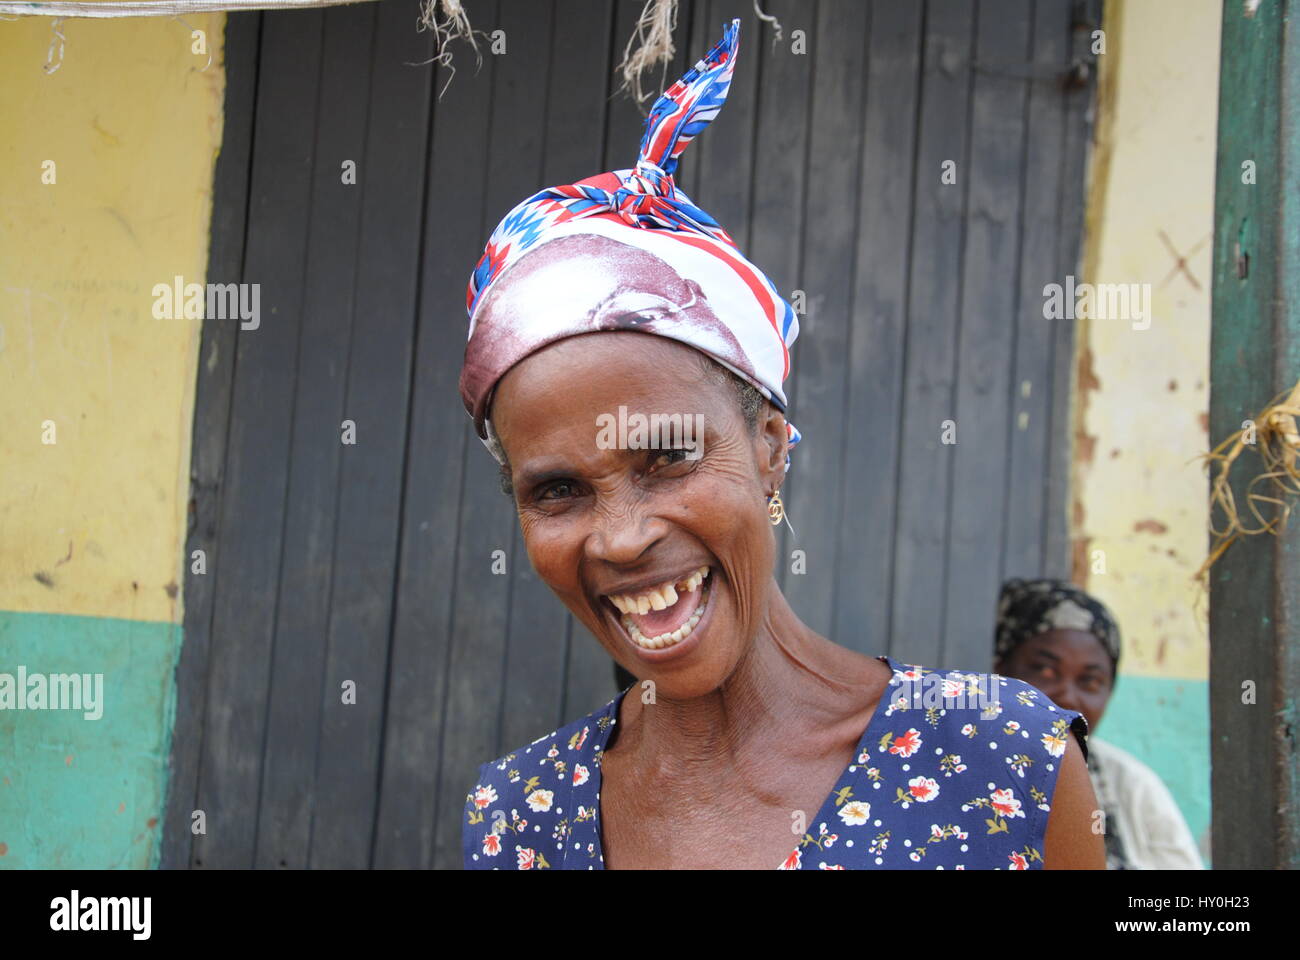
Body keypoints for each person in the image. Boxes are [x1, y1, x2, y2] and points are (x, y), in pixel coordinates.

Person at [458, 20, 1103, 870]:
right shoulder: (518, 819)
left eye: (667, 459)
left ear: (769, 445)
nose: (620, 537)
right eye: (559, 492)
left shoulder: (1002, 763)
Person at [993, 578, 1204, 869]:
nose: (1067, 696)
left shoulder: (1132, 787)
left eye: (1089, 681)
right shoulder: (958, 769)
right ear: (1001, 672)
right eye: (1045, 670)